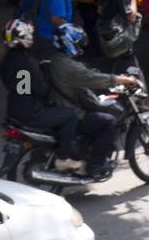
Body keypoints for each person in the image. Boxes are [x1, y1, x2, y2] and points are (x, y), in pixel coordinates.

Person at [47, 23, 140, 180]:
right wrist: (123, 79)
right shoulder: (69, 66)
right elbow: (93, 79)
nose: (80, 46)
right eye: (78, 43)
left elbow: (87, 74)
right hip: (70, 112)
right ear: (70, 43)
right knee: (109, 121)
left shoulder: (55, 59)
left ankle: (86, 153)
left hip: (58, 106)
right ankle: (96, 165)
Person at [0, 20, 83, 171]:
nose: (31, 37)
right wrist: (43, 70)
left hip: (13, 110)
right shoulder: (27, 63)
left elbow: (17, 86)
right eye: (29, 35)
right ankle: (64, 158)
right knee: (70, 116)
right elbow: (40, 90)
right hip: (31, 112)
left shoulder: (6, 61)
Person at [97, 0, 142, 73]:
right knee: (133, 71)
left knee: (111, 68)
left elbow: (100, 9)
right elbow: (131, 17)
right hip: (118, 39)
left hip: (105, 37)